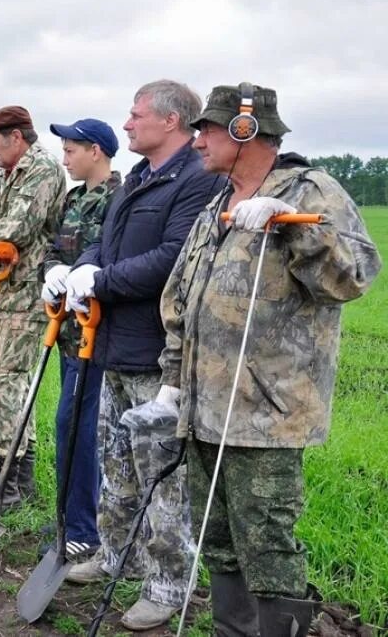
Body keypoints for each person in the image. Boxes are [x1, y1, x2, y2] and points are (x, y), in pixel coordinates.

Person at [159, 83, 380, 635]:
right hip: (202, 408)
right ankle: (231, 630)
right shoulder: (217, 203)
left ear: (244, 130)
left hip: (266, 412)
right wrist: (171, 379)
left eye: (205, 130)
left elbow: (353, 276)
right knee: (217, 537)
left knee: (267, 542)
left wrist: (291, 227)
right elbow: (182, 294)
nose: (195, 143)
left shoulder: (312, 191)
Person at [62, 80, 225, 631]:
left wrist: (101, 281)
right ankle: (117, 556)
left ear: (171, 121)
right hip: (114, 344)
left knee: (162, 477)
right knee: (116, 464)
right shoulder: (137, 177)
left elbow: (173, 260)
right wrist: (78, 268)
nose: (127, 125)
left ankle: (167, 584)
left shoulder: (196, 181)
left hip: (160, 354)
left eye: (135, 116)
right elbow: (105, 242)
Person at [0, 106, 65, 516]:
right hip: (4, 291)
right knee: (12, 385)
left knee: (4, 382)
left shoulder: (41, 170)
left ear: (16, 138)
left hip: (26, 294)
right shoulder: (10, 174)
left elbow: (13, 228)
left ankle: (9, 483)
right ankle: (17, 475)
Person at [38, 118, 121, 559]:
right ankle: (68, 523)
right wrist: (51, 270)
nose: (65, 157)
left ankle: (84, 531)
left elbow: (110, 258)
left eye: (71, 150)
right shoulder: (74, 200)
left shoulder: (119, 200)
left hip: (99, 337)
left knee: (81, 429)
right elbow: (56, 248)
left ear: (96, 151)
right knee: (69, 425)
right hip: (68, 333)